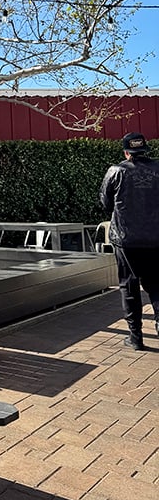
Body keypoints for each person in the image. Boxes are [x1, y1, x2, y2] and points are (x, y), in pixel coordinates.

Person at [100, 132, 159, 350]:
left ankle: (135, 337)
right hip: (156, 238)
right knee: (156, 285)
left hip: (126, 240)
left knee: (129, 285)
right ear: (145, 150)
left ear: (126, 152)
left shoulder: (117, 171)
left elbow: (105, 203)